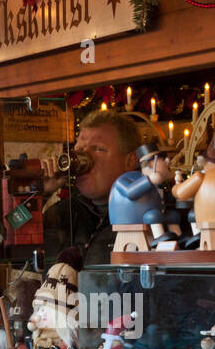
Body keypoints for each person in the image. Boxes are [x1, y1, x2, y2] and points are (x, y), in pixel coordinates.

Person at [43, 111, 142, 263]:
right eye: (80, 150)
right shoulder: (65, 212)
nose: (86, 158)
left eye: (98, 149)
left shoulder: (148, 210)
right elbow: (12, 251)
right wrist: (39, 194)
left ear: (130, 161)